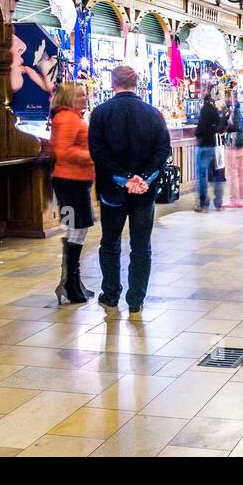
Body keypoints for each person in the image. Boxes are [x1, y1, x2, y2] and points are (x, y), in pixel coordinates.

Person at [87, 64, 172, 313]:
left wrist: (123, 178)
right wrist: (143, 177)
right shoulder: (153, 114)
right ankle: (136, 299)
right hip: (144, 192)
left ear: (112, 83)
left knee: (110, 242)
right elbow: (163, 150)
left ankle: (111, 293)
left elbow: (98, 153)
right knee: (141, 245)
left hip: (111, 191)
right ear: (137, 84)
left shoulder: (101, 113)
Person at [48, 82, 95, 305]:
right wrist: (92, 154)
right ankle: (69, 283)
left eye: (85, 95)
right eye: (80, 95)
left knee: (76, 230)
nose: (85, 98)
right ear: (68, 97)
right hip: (70, 182)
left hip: (75, 181)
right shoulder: (66, 118)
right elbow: (63, 151)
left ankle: (72, 281)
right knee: (75, 230)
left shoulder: (71, 117)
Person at [220, 88, 243, 209]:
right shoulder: (236, 110)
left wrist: (228, 122)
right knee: (241, 174)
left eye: (228, 97)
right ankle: (241, 198)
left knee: (233, 173)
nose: (227, 99)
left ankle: (235, 199)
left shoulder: (231, 111)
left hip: (234, 145)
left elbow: (228, 126)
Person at [194, 88, 222, 211]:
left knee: (202, 175)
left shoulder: (204, 111)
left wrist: (197, 133)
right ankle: (218, 203)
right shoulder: (216, 110)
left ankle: (203, 203)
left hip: (204, 145)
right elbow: (221, 126)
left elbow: (200, 129)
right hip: (215, 145)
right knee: (217, 175)